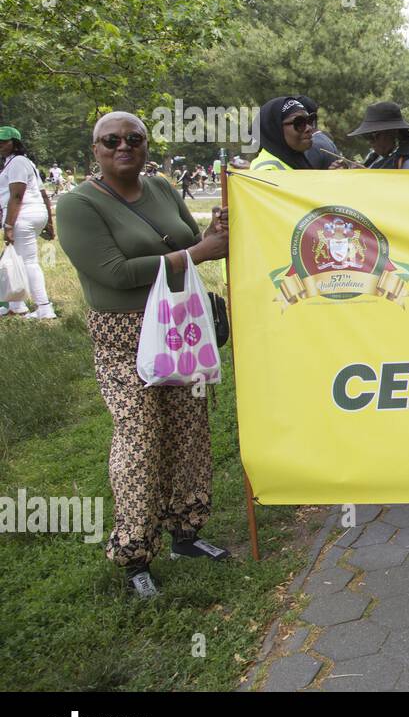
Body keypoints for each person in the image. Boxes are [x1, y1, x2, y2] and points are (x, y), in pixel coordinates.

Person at [56, 111, 232, 598]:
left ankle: (186, 532)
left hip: (178, 325)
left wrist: (211, 232)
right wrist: (199, 254)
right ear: (95, 149)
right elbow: (115, 272)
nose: (123, 146)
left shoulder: (161, 187)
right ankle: (135, 553)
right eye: (111, 140)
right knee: (140, 436)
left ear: (146, 145)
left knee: (188, 429)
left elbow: (192, 240)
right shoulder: (76, 205)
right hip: (124, 334)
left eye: (134, 138)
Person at [0, 126, 57, 319]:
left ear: (15, 143)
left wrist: (8, 226)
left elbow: (17, 195)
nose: (0, 144)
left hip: (22, 215)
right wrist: (48, 223)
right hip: (33, 213)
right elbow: (43, 194)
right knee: (14, 260)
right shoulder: (25, 163)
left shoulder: (17, 162)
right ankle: (16, 304)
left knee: (29, 262)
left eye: (4, 141)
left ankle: (44, 307)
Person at [349, 102, 409, 170]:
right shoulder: (375, 156)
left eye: (373, 136)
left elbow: (408, 184)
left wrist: (365, 176)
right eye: (366, 136)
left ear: (394, 131)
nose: (370, 141)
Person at [250, 96, 318, 171]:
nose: (309, 128)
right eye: (299, 123)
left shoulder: (296, 159)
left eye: (310, 120)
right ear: (275, 129)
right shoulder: (267, 170)